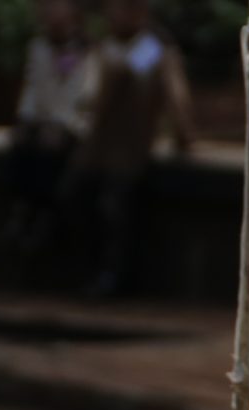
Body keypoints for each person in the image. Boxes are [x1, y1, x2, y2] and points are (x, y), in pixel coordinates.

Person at [78, 0, 195, 296]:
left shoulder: (152, 50)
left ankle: (115, 278)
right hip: (96, 152)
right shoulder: (102, 48)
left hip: (128, 155)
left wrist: (184, 135)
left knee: (116, 211)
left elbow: (175, 98)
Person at [6, 0, 95, 250]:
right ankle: (20, 211)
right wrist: (26, 118)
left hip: (72, 125)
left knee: (51, 150)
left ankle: (46, 219)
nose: (51, 10)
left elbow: (82, 95)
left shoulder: (85, 50)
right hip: (42, 121)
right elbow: (33, 90)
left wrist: (60, 124)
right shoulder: (38, 46)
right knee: (21, 143)